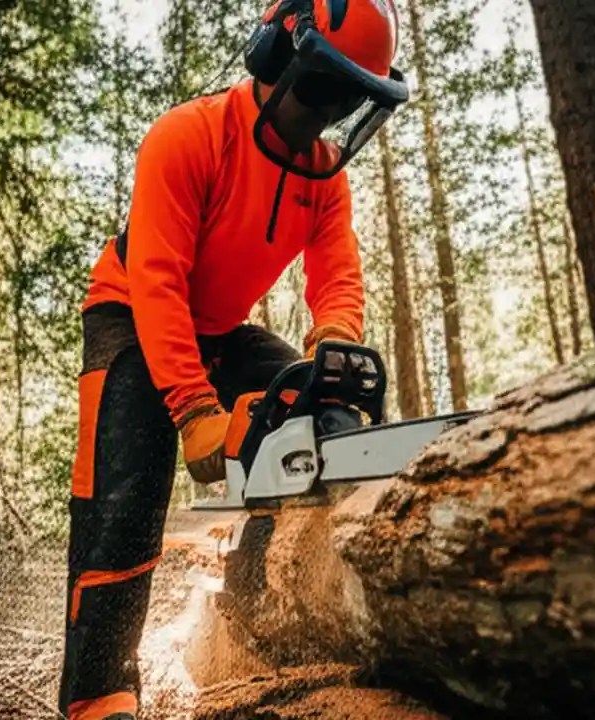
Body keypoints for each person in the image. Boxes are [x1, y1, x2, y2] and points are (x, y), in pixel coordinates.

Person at [57, 1, 408, 718]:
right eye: (321, 89)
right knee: (124, 493)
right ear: (279, 57)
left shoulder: (322, 173)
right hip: (129, 309)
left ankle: (271, 598)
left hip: (220, 326)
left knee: (312, 403)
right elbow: (156, 280)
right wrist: (193, 409)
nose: (326, 114)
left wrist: (334, 342)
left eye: (347, 98)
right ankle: (98, 693)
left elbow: (337, 273)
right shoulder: (186, 137)